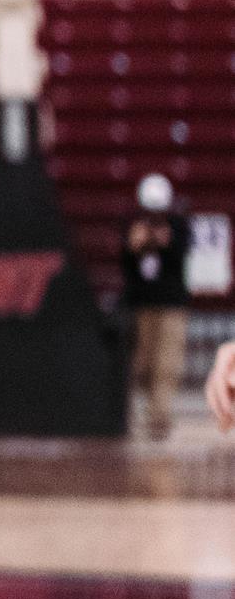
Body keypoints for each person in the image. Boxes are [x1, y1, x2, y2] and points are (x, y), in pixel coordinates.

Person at [121, 173, 192, 440]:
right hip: (142, 304)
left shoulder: (178, 226)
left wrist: (166, 242)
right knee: (141, 364)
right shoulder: (132, 225)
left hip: (171, 304)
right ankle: (141, 412)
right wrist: (135, 245)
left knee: (167, 364)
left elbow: (180, 257)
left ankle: (160, 417)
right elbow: (127, 263)